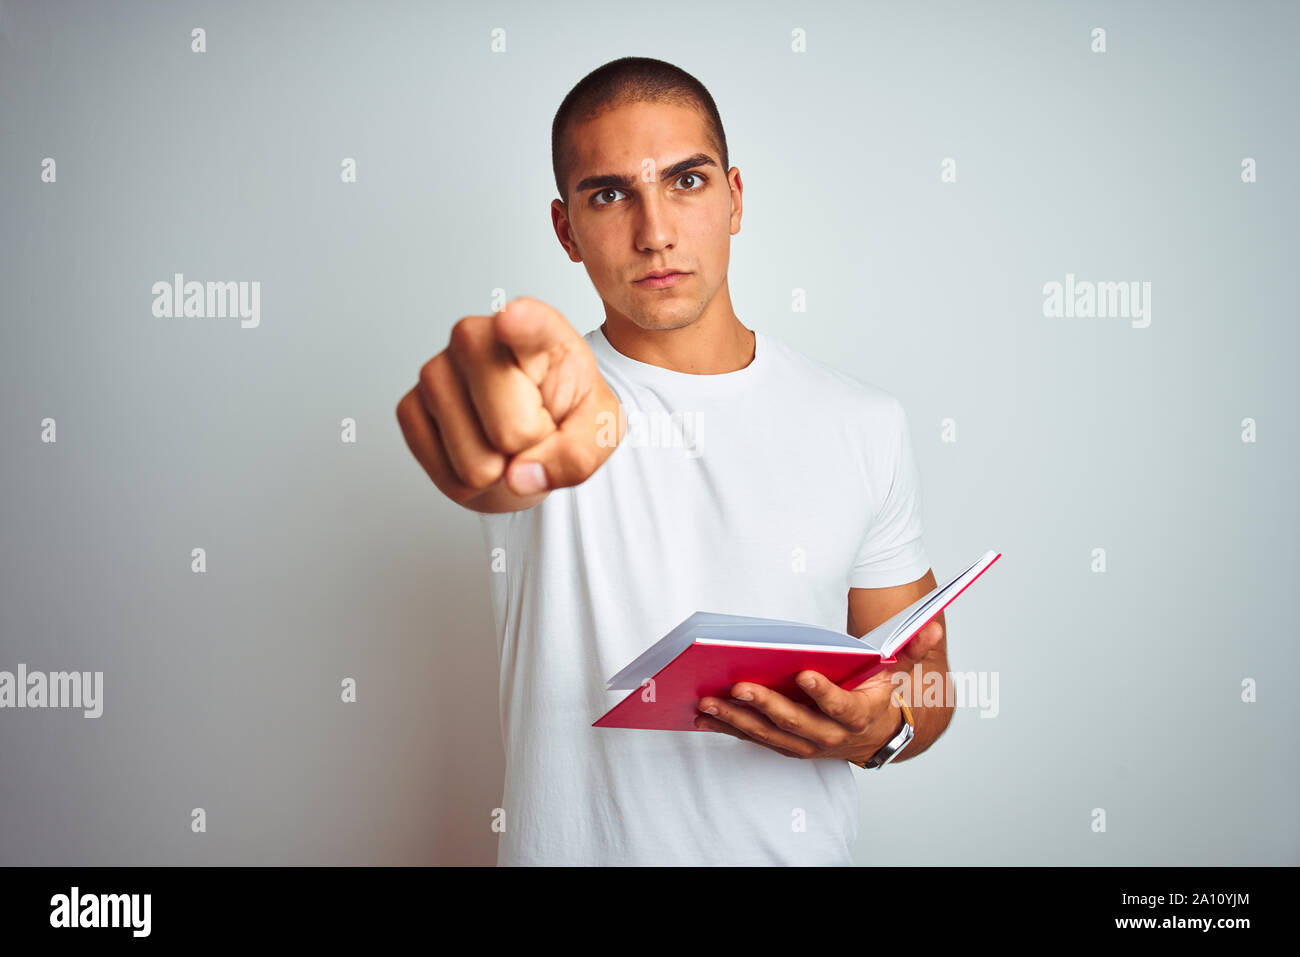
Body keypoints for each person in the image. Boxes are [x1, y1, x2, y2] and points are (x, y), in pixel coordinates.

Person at [396, 56, 952, 866]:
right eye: (611, 193)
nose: (653, 230)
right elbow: (494, 450)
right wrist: (481, 418)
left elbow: (929, 687)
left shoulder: (865, 423)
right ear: (566, 230)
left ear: (734, 197)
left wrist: (884, 727)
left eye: (686, 182)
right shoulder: (551, 402)